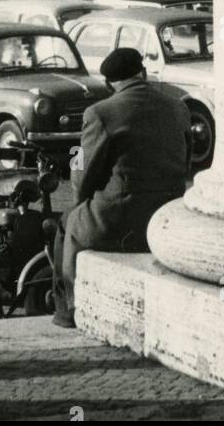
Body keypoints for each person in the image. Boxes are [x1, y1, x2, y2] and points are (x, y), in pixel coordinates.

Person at [52, 47, 191, 328]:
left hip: (118, 221)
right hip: (165, 217)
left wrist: (75, 166)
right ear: (143, 73)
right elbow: (186, 162)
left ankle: (67, 309)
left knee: (67, 224)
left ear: (108, 84)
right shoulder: (179, 107)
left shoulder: (100, 112)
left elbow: (81, 179)